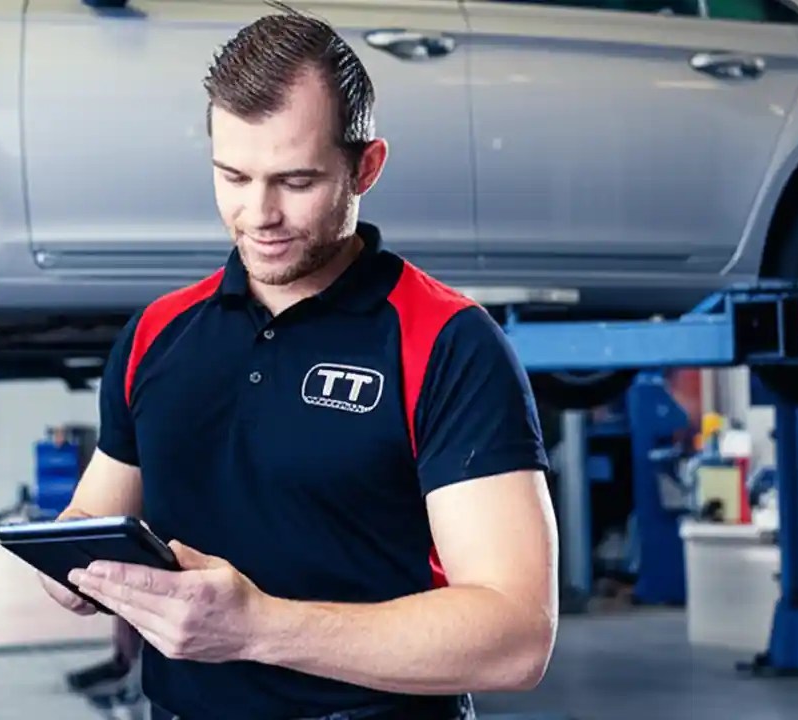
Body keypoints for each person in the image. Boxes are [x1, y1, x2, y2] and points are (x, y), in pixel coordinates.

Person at [40, 8, 559, 720]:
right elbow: (95, 513)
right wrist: (73, 565)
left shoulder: (446, 340)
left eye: (296, 180)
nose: (259, 214)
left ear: (365, 167)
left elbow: (516, 638)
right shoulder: (158, 334)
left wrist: (257, 628)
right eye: (234, 176)